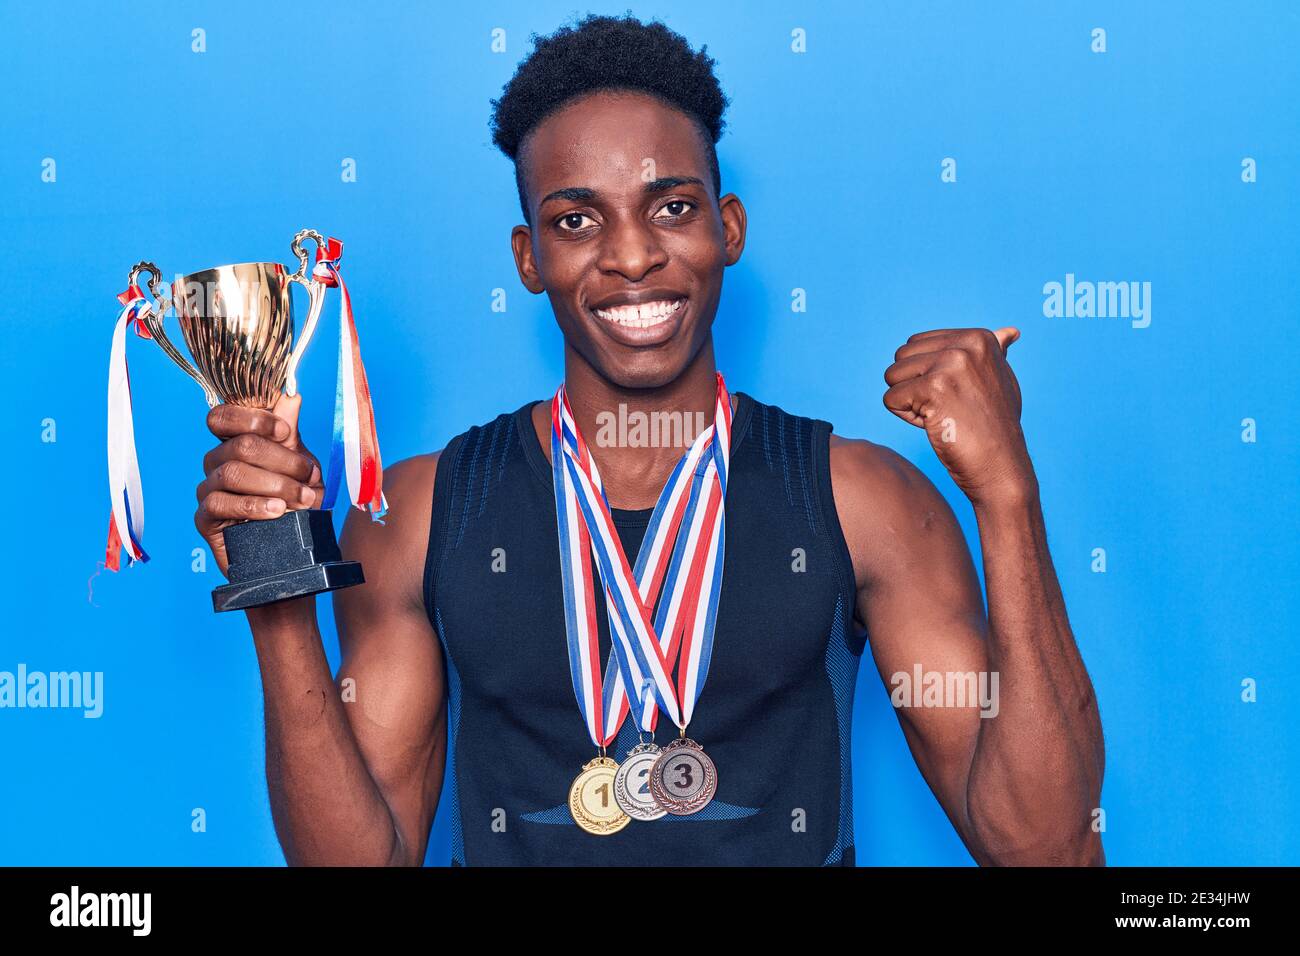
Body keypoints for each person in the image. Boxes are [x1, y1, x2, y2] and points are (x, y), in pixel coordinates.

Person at [193, 13, 1104, 866]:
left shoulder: (862, 501)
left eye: (670, 206)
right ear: (529, 258)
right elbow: (358, 860)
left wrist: (1007, 497)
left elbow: (1046, 845)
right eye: (577, 220)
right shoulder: (424, 512)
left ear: (727, 227)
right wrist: (276, 593)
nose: (632, 256)